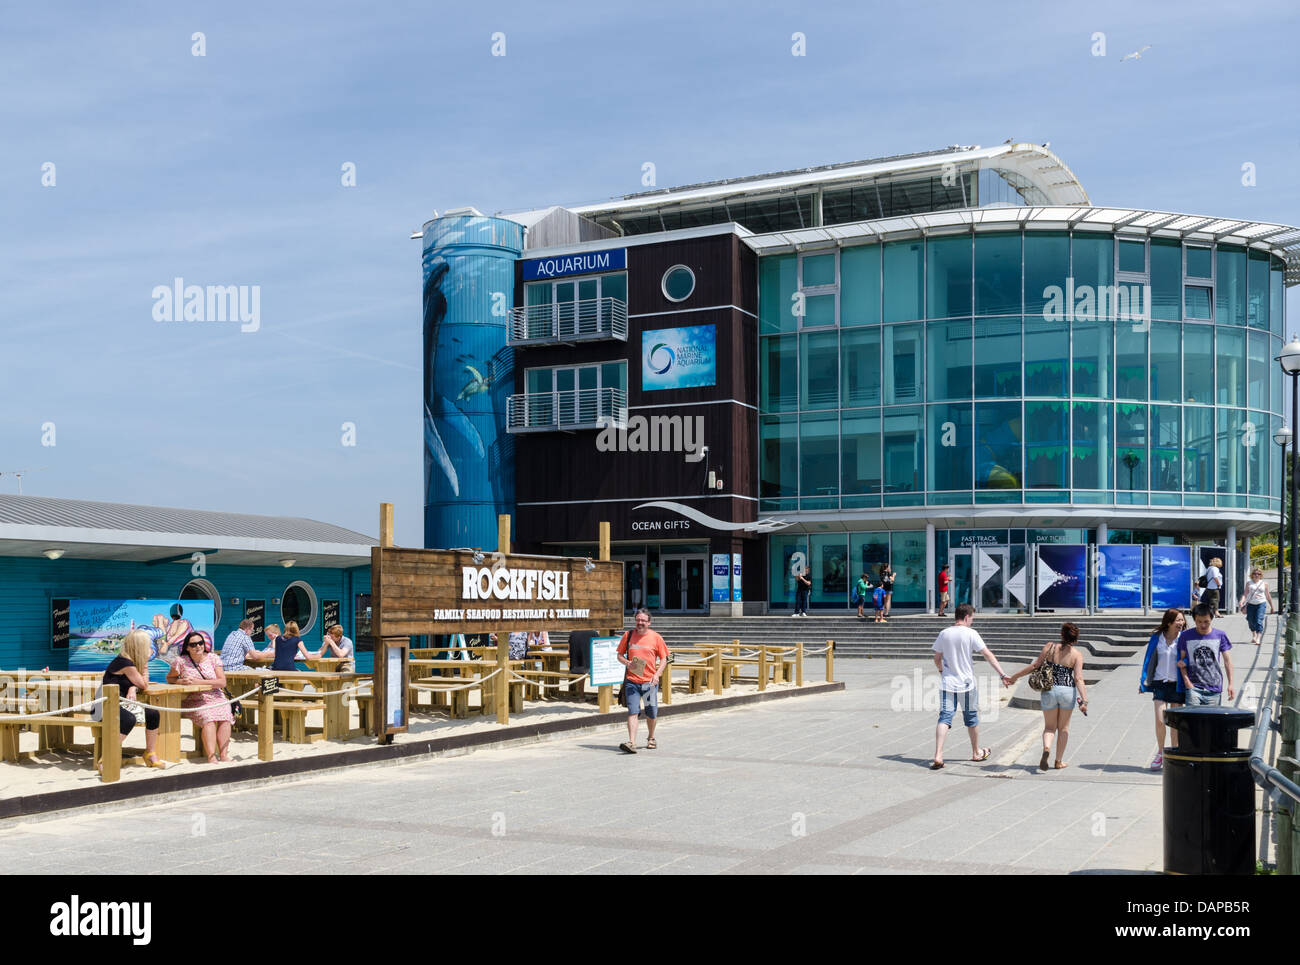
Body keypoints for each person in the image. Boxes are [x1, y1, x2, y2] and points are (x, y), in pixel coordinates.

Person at [930, 603, 1012, 769]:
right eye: (972, 618)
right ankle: (976, 753)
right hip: (967, 685)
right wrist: (1002, 675)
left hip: (948, 684)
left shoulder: (944, 633)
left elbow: (937, 658)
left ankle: (938, 755)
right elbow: (987, 654)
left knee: (944, 718)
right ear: (966, 617)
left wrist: (941, 670)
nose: (972, 621)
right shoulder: (971, 633)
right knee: (972, 719)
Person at [1008, 622, 1088, 771]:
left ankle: (1046, 748)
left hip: (1049, 690)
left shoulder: (1050, 647)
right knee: (1063, 728)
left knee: (1049, 727)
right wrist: (1084, 699)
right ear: (1076, 639)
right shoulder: (1077, 655)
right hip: (1067, 692)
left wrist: (1014, 677)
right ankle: (1058, 761)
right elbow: (1078, 678)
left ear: (1061, 635)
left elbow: (1035, 666)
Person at [99, 628, 165, 770]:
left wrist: (132, 688)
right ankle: (107, 756)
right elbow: (144, 684)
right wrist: (146, 663)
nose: (150, 648)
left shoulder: (129, 662)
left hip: (119, 702)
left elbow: (138, 685)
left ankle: (149, 752)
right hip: (104, 706)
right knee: (129, 720)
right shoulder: (125, 663)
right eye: (148, 645)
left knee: (153, 713)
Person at [167, 631, 233, 763]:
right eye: (193, 644)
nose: (198, 646)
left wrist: (199, 682)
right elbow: (170, 678)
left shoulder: (213, 658)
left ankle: (224, 755)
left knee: (225, 717)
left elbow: (222, 682)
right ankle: (211, 756)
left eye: (200, 643)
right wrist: (181, 681)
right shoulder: (180, 661)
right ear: (187, 647)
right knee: (209, 718)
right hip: (195, 699)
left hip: (217, 697)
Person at [616, 608, 669, 753]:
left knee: (651, 712)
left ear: (649, 622)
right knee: (633, 711)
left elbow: (664, 658)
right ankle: (631, 742)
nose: (640, 623)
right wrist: (627, 663)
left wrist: (657, 674)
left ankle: (651, 737)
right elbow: (619, 655)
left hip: (649, 682)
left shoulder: (656, 637)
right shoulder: (628, 635)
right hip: (632, 681)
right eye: (638, 620)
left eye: (643, 621)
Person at [1139, 608, 1185, 769]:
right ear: (1169, 622)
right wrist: (1143, 681)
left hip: (1177, 684)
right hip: (1160, 682)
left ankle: (1174, 754)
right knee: (1160, 720)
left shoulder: (1183, 638)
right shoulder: (1157, 638)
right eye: (1178, 620)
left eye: (1182, 620)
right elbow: (1148, 659)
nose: (1181, 623)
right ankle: (1160, 752)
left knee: (1175, 724)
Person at [1176, 603, 1234, 706]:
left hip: (1214, 688)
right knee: (1193, 721)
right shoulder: (1185, 636)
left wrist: (1231, 684)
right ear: (1194, 620)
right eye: (1199, 621)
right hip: (1193, 687)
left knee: (1211, 721)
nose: (1203, 625)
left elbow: (1227, 661)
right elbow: (1181, 661)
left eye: (1206, 621)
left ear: (1212, 619)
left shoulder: (1220, 635)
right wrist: (1187, 682)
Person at [1238, 567, 1273, 646]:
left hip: (1261, 603)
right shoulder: (1249, 583)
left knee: (1258, 620)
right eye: (1255, 574)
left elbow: (1268, 595)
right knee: (1251, 621)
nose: (1256, 575)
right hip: (1250, 604)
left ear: (1261, 575)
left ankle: (1258, 637)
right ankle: (1254, 634)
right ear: (1252, 575)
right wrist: (1242, 601)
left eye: (1258, 574)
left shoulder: (1264, 584)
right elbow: (1245, 594)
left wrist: (1272, 606)